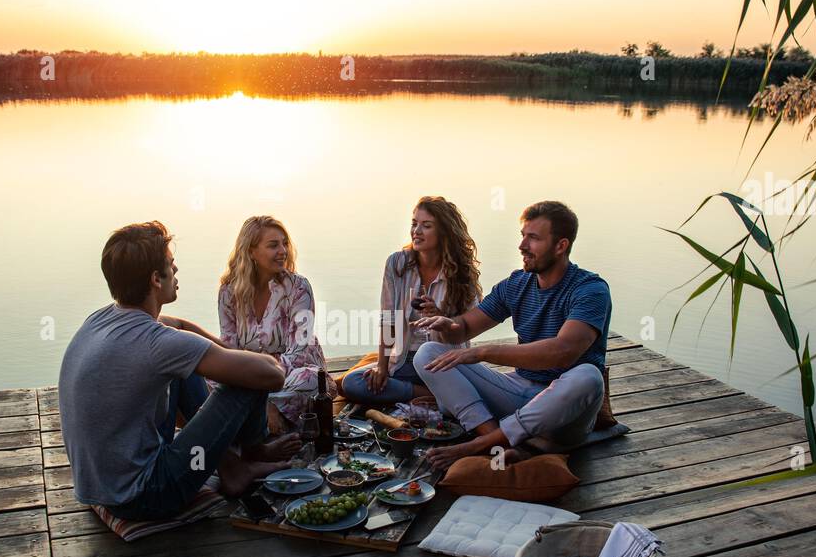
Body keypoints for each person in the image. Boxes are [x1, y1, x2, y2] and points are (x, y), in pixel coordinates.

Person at [59, 221, 298, 521]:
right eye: (171, 266)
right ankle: (248, 454)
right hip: (147, 495)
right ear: (156, 280)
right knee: (248, 378)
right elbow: (272, 374)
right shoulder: (158, 344)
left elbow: (180, 328)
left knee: (195, 365)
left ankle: (231, 465)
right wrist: (234, 358)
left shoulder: (102, 319)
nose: (177, 271)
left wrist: (221, 352)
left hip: (101, 488)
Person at [413, 200, 610, 472]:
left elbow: (563, 352)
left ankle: (477, 445)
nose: (522, 246)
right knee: (428, 354)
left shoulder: (590, 290)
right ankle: (500, 443)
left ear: (561, 246)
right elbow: (466, 327)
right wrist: (448, 324)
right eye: (522, 236)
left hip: (566, 413)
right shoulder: (517, 284)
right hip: (521, 393)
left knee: (588, 376)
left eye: (533, 238)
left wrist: (483, 352)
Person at [341, 196, 482, 406]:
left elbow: (470, 325)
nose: (416, 231)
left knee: (467, 392)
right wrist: (382, 365)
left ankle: (439, 393)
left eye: (426, 226)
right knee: (353, 383)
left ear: (444, 232)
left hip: (442, 362)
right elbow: (388, 317)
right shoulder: (397, 264)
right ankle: (430, 395)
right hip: (404, 361)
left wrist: (440, 317)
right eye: (414, 224)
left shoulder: (462, 274)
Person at [217, 216, 329, 429]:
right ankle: (267, 414)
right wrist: (246, 376)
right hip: (247, 374)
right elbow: (229, 347)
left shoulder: (299, 288)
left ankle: (259, 413)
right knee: (206, 379)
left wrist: (257, 378)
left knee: (311, 380)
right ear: (251, 251)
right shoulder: (228, 292)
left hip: (291, 372)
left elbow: (299, 353)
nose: (283, 251)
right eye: (273, 245)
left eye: (284, 243)